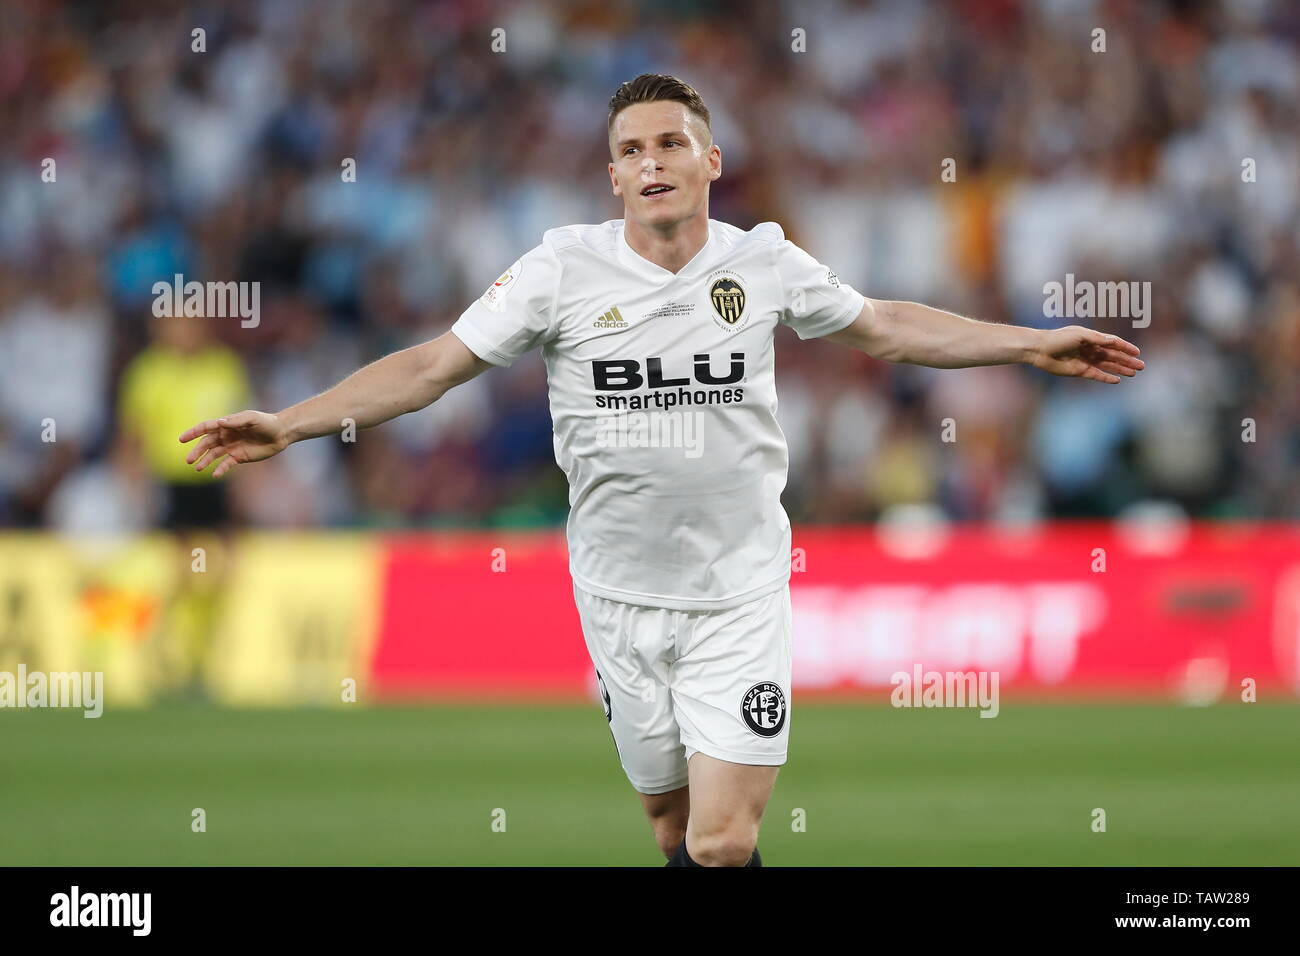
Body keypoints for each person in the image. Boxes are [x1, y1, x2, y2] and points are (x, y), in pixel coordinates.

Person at [178, 74, 1144, 866]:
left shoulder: (762, 261)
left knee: (725, 842)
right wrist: (293, 424)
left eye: (671, 144)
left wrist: (1028, 345)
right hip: (614, 594)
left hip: (739, 589)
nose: (653, 163)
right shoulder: (560, 271)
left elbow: (888, 325)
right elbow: (432, 366)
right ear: (612, 177)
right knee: (673, 832)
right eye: (633, 150)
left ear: (710, 161)